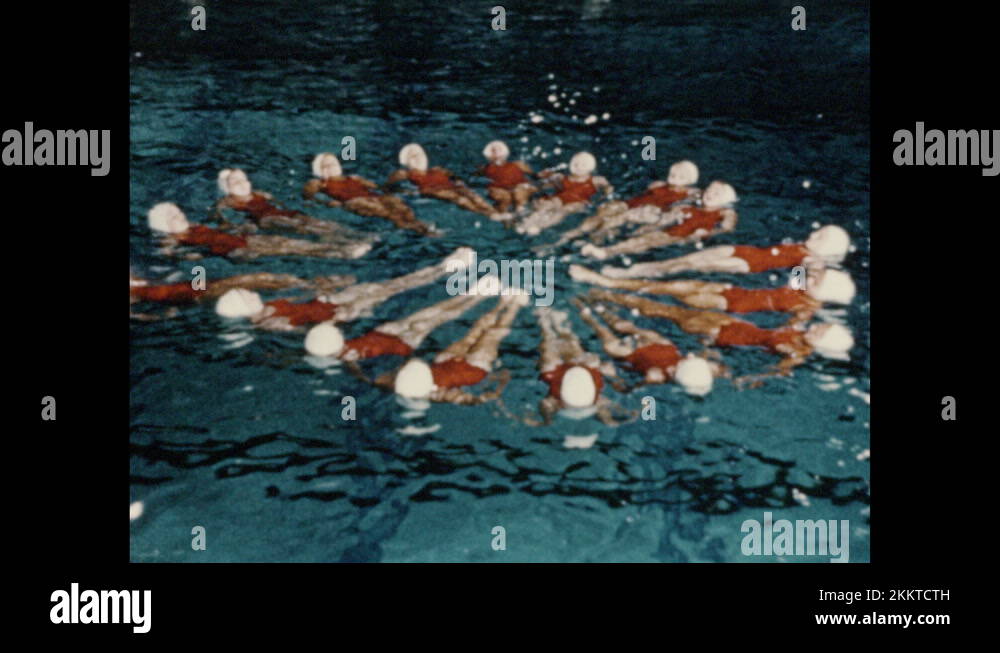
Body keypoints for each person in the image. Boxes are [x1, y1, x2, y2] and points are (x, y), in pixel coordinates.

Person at [586, 289, 855, 378]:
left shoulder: (796, 351)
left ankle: (603, 298)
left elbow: (780, 369)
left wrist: (751, 378)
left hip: (719, 332)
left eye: (821, 332)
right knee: (661, 310)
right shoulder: (800, 333)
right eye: (822, 325)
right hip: (729, 324)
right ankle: (604, 300)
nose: (816, 327)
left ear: (819, 347)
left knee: (661, 310)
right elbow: (801, 311)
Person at [208, 247, 476, 330]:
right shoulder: (267, 322)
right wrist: (345, 313)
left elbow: (299, 301)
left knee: (388, 285)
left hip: (329, 301)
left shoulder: (268, 306)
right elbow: (306, 326)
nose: (252, 291)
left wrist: (322, 289)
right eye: (247, 294)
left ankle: (444, 266)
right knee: (391, 290)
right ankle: (446, 268)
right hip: (341, 311)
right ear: (243, 308)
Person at [369, 290, 529, 404]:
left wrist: (497, 388)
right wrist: (498, 388)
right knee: (481, 334)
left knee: (489, 334)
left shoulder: (432, 394)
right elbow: (473, 400)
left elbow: (472, 400)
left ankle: (509, 304)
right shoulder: (427, 391)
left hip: (465, 368)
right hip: (461, 367)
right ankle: (510, 304)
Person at [569, 264, 856, 325]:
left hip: (733, 305)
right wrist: (812, 266)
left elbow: (792, 328)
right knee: (670, 286)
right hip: (734, 291)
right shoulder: (802, 289)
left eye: (820, 280)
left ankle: (604, 286)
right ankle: (607, 282)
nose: (814, 278)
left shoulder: (805, 307)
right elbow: (799, 268)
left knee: (663, 294)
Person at [571, 297, 720, 394]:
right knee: (621, 325)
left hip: (632, 353)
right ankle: (601, 308)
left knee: (608, 340)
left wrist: (613, 376)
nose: (689, 355)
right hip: (661, 346)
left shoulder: (657, 378)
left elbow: (626, 390)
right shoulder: (707, 369)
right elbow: (722, 369)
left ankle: (586, 313)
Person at [545, 160, 700, 249]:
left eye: (682, 176)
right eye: (673, 173)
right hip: (632, 204)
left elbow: (693, 203)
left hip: (648, 211)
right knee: (606, 209)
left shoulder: (692, 193)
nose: (675, 177)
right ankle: (571, 234)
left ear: (691, 180)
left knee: (617, 219)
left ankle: (594, 239)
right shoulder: (657, 184)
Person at [598, 224, 852, 279]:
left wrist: (808, 277)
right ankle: (630, 268)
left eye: (822, 237)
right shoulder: (802, 245)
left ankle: (624, 275)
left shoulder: (810, 257)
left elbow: (810, 273)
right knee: (683, 259)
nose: (814, 233)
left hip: (748, 265)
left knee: (686, 267)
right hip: (742, 250)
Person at [339, 277, 497, 361]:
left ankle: (474, 295)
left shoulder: (341, 354)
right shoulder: (342, 352)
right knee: (433, 315)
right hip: (392, 339)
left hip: (390, 339)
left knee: (434, 314)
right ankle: (475, 295)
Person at [148, 202, 371, 260]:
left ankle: (341, 246)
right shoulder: (174, 238)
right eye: (173, 218)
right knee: (290, 249)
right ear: (164, 228)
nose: (181, 216)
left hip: (242, 239)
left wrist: (241, 227)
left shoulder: (195, 226)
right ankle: (342, 252)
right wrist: (190, 254)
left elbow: (222, 229)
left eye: (178, 212)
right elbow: (171, 254)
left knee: (286, 243)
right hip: (235, 249)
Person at [579, 180, 738, 260]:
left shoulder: (725, 211)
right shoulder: (691, 204)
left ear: (725, 201)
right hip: (670, 225)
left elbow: (728, 227)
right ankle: (597, 238)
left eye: (717, 194)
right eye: (709, 190)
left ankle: (607, 252)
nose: (710, 194)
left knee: (647, 240)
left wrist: (709, 233)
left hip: (681, 234)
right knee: (635, 222)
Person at [531, 306, 628, 425]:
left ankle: (547, 326)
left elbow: (545, 406)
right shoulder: (595, 402)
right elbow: (545, 405)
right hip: (578, 373)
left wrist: (546, 421)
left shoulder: (596, 401)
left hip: (580, 372)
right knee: (564, 352)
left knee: (551, 355)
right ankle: (551, 326)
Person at [216, 167, 371, 240]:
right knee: (301, 227)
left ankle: (358, 235)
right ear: (227, 188)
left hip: (282, 213)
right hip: (266, 220)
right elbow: (223, 220)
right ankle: (337, 239)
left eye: (243, 179)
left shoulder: (262, 194)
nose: (241, 183)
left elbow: (281, 205)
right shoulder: (227, 202)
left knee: (312, 221)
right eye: (235, 182)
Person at [302, 152, 434, 235]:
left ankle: (418, 224)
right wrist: (326, 203)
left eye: (334, 164)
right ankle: (411, 228)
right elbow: (308, 197)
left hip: (373, 196)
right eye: (326, 166)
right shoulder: (317, 183)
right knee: (384, 212)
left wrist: (398, 188)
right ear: (319, 170)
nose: (331, 168)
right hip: (352, 201)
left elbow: (379, 188)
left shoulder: (355, 178)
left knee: (398, 204)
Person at [387, 143, 498, 217]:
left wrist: (459, 182)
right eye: (413, 157)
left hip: (449, 185)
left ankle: (494, 212)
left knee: (471, 194)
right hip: (432, 189)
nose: (417, 159)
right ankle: (487, 214)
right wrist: (406, 192)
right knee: (459, 199)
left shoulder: (437, 169)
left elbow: (454, 177)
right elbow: (390, 183)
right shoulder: (405, 173)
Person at [516, 152, 612, 236]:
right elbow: (545, 185)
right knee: (548, 204)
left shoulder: (596, 180)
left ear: (590, 167)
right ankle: (527, 224)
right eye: (576, 164)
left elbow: (608, 188)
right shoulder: (562, 178)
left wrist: (604, 196)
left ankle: (540, 226)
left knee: (563, 211)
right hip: (561, 198)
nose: (578, 167)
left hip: (579, 202)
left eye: (582, 165)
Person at [477, 140, 538, 213]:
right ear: (489, 155)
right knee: (505, 198)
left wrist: (540, 175)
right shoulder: (485, 168)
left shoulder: (518, 164)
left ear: (504, 152)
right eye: (493, 151)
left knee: (519, 192)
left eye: (499, 150)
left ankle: (521, 209)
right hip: (499, 190)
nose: (497, 153)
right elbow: (473, 179)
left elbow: (535, 176)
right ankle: (505, 214)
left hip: (519, 187)